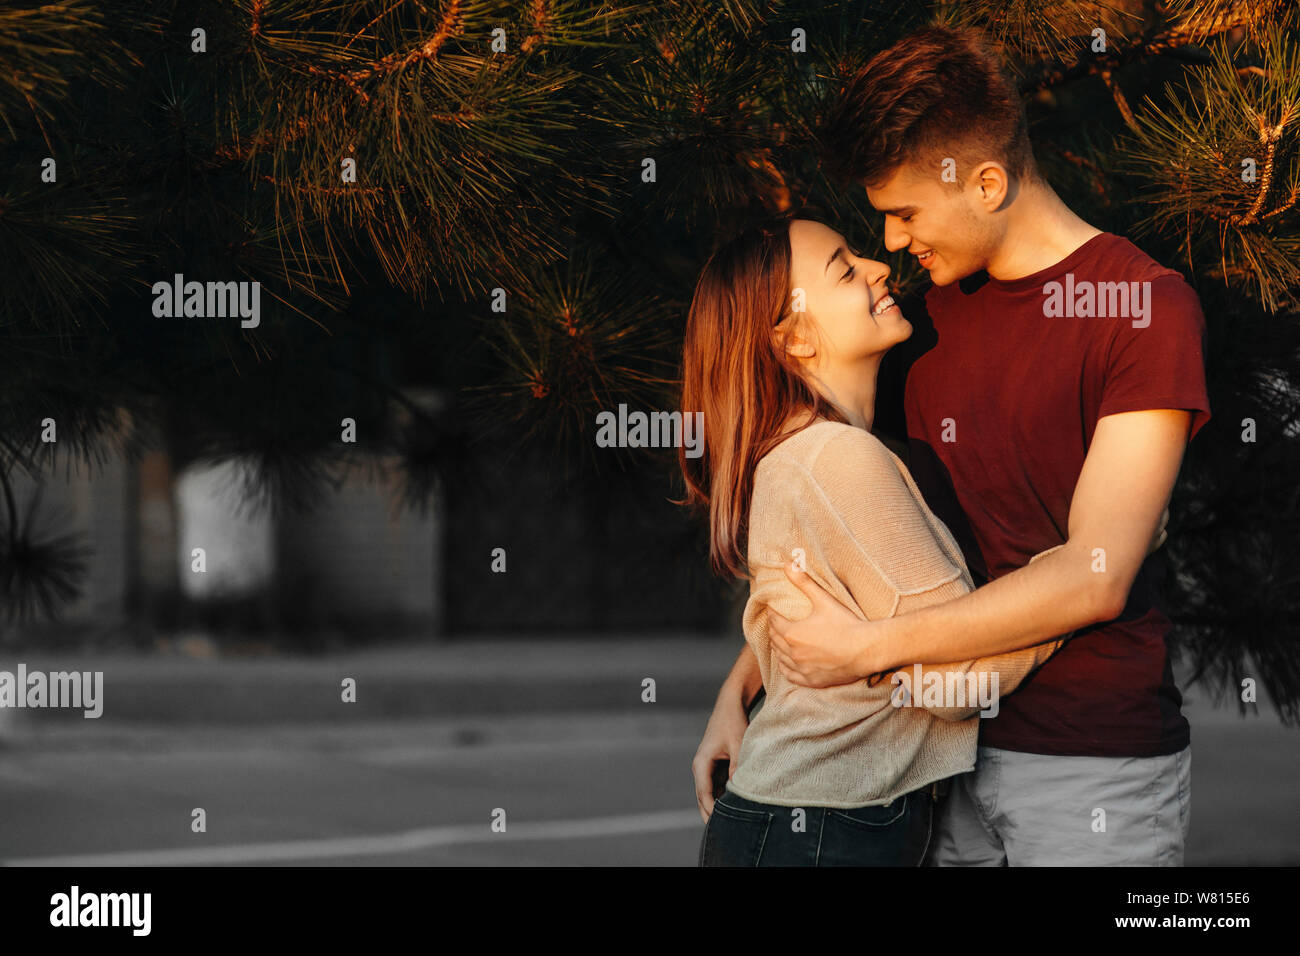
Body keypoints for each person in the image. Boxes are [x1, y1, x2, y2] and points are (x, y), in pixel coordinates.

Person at [694, 27, 1210, 866]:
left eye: (905, 213)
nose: (892, 244)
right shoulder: (915, 326)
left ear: (988, 182)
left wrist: (865, 652)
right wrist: (740, 690)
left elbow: (1097, 574)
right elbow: (846, 540)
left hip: (1088, 767)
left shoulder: (1144, 309)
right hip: (932, 771)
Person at [679, 211, 1069, 866]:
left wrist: (736, 690)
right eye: (844, 267)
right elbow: (959, 686)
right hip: (824, 835)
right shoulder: (837, 460)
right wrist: (1083, 579)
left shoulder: (803, 454)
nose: (880, 265)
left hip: (804, 828)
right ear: (794, 339)